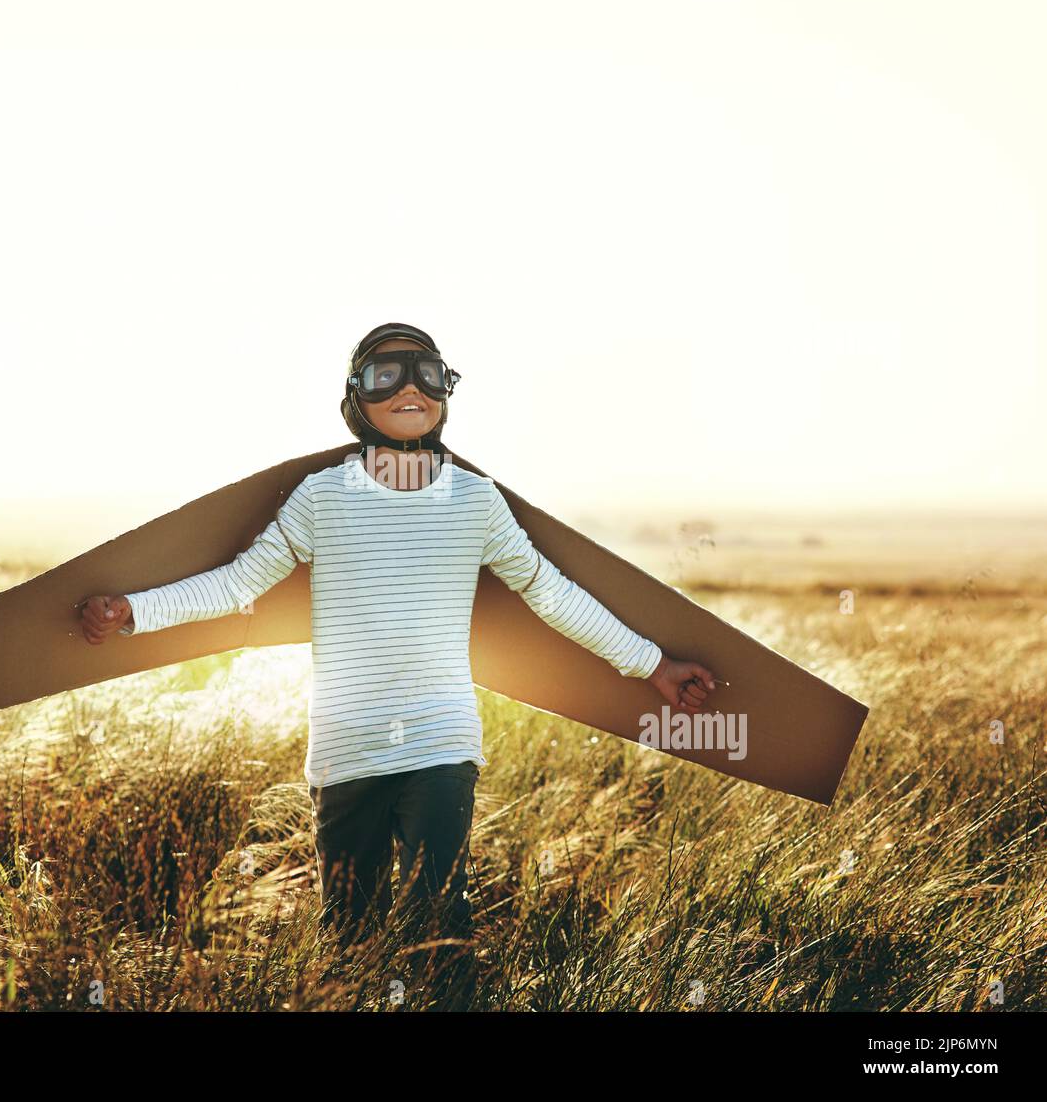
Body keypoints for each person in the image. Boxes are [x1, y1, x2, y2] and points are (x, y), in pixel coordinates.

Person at [77, 323, 716, 1010]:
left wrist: (651, 665)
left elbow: (549, 593)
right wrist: (132, 611)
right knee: (347, 940)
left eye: (427, 374)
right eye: (387, 376)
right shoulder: (321, 498)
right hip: (345, 750)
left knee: (438, 923)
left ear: (445, 392)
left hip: (441, 742)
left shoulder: (476, 500)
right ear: (357, 399)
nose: (410, 388)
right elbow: (237, 585)